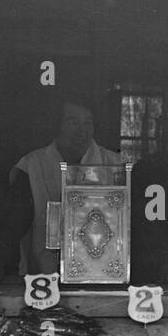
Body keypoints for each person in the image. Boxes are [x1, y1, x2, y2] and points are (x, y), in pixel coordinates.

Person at [10, 95, 124, 274]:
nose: (82, 131)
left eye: (88, 123)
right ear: (57, 125)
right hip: (43, 272)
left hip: (102, 273)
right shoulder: (31, 165)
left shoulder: (116, 165)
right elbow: (15, 223)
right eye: (73, 122)